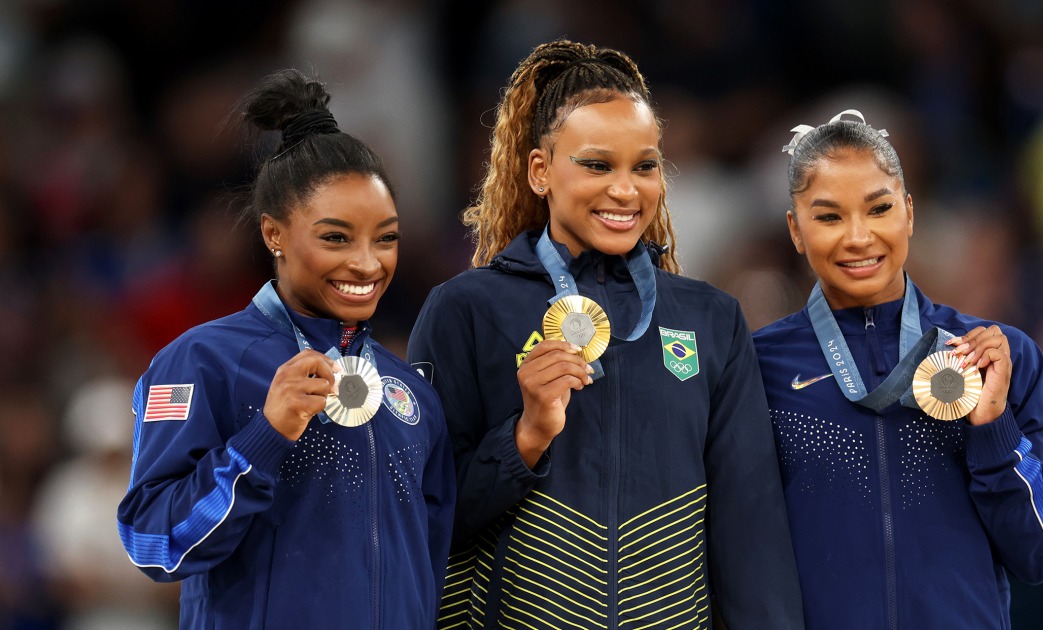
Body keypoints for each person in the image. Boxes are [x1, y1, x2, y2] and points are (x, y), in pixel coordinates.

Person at [407, 39, 805, 629]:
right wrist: (524, 437)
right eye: (597, 165)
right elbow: (423, 518)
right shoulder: (465, 309)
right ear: (540, 171)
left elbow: (751, 528)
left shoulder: (711, 320)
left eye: (644, 166)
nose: (626, 190)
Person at [116, 69, 455, 629]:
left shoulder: (412, 394)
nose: (368, 263)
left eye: (386, 237)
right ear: (274, 234)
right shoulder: (201, 363)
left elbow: (437, 569)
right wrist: (264, 437)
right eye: (335, 237)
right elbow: (151, 540)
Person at [754, 110, 1043, 629]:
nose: (858, 237)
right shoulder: (758, 367)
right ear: (796, 230)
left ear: (909, 212)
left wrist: (992, 425)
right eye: (829, 216)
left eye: (879, 208)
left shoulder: (997, 357)